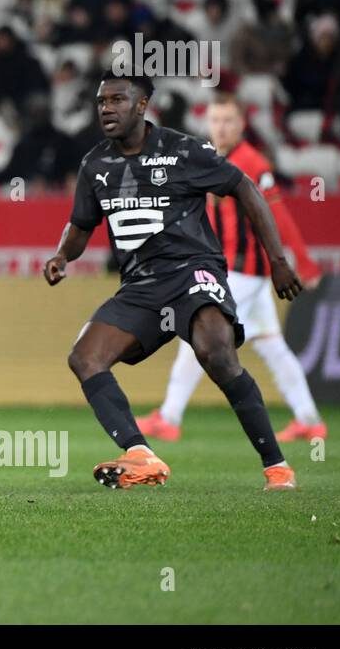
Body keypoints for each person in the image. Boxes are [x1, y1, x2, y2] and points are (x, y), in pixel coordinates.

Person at [43, 73, 301, 491]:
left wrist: (278, 260)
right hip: (140, 287)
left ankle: (276, 466)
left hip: (192, 272)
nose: (106, 108)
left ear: (142, 105)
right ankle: (140, 454)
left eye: (117, 100)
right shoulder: (95, 164)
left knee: (215, 352)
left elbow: (246, 189)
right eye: (101, 101)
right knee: (84, 357)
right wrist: (61, 255)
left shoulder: (183, 150)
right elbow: (80, 226)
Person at [139, 96, 324, 442]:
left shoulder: (252, 162)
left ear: (241, 124)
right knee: (273, 347)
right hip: (233, 272)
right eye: (215, 120)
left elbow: (277, 214)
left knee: (198, 331)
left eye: (228, 120)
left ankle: (169, 417)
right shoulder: (211, 158)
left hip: (244, 271)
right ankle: (310, 420)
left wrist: (302, 262)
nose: (220, 127)